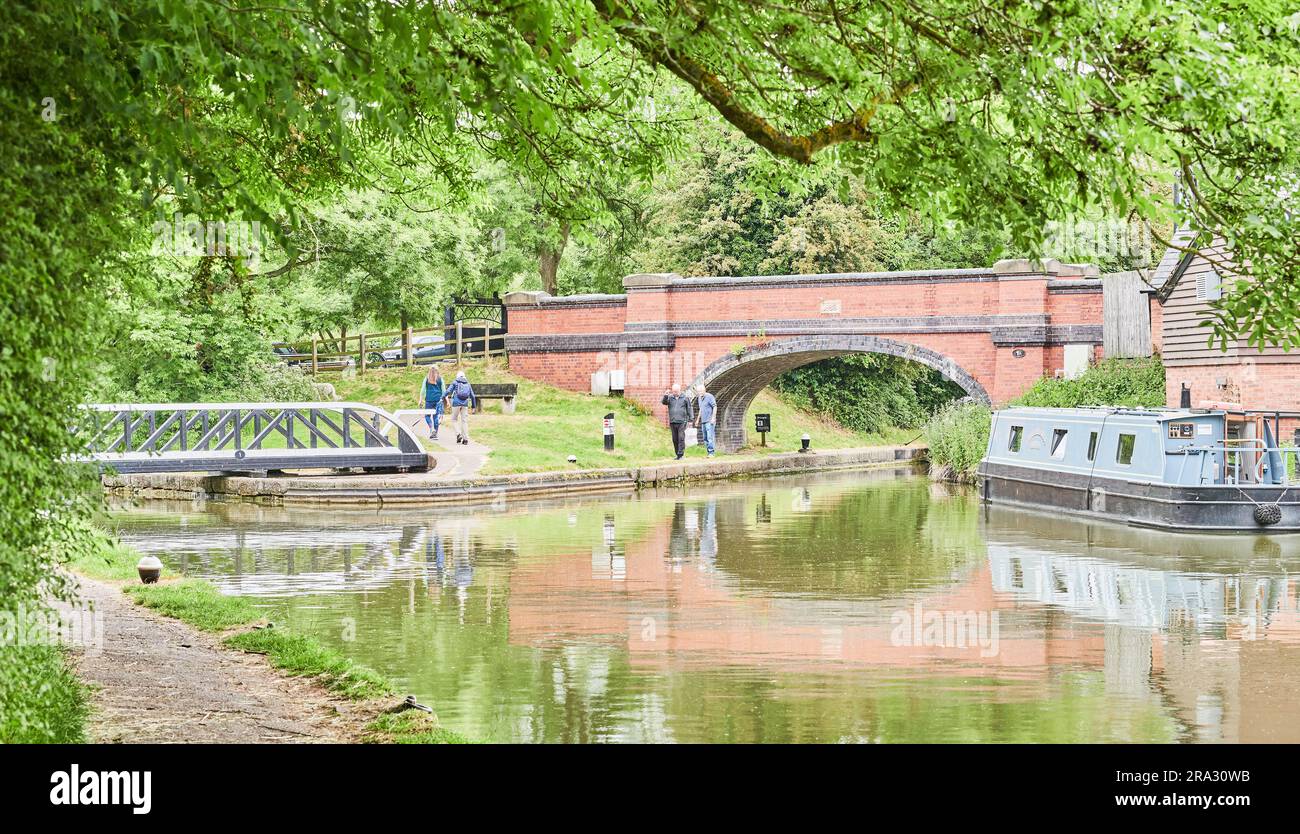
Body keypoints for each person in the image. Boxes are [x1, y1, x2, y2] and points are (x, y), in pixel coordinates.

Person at [661, 383, 695, 460]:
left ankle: (681, 455)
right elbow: (664, 402)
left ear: (680, 390)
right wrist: (665, 395)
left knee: (681, 438)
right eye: (673, 391)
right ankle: (677, 455)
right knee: (674, 439)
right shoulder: (670, 398)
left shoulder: (685, 398)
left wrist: (691, 419)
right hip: (673, 421)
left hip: (682, 421)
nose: (674, 393)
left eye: (676, 391)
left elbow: (689, 408)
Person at [448, 370, 476, 445]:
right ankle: (465, 439)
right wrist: (473, 407)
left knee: (454, 419)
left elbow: (448, 391)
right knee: (464, 421)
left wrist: (442, 397)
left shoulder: (455, 382)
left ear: (457, 376)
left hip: (456, 403)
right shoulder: (468, 384)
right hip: (465, 404)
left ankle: (458, 434)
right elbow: (473, 396)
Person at [419, 366, 446, 439]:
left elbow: (423, 390)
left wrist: (420, 400)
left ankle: (431, 428)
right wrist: (447, 400)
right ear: (437, 371)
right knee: (435, 416)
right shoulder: (440, 379)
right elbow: (444, 391)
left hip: (429, 400)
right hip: (438, 400)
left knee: (427, 416)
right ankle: (435, 433)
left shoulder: (426, 379)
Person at [695, 383, 717, 458]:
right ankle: (708, 453)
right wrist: (698, 419)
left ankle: (712, 453)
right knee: (705, 438)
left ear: (704, 390)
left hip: (709, 420)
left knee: (710, 436)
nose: (699, 393)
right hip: (703, 421)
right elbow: (701, 409)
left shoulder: (710, 396)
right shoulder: (699, 398)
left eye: (701, 391)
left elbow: (715, 406)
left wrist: (713, 418)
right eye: (698, 391)